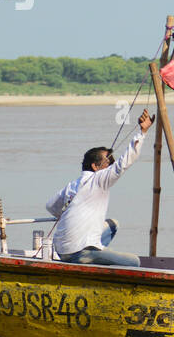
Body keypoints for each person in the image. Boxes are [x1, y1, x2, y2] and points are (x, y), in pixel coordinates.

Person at [45, 108, 153, 266]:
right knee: (134, 262)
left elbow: (51, 206)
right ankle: (93, 260)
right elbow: (124, 163)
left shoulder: (72, 184)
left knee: (113, 225)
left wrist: (72, 216)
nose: (111, 165)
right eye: (108, 162)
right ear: (95, 166)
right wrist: (142, 132)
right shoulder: (98, 179)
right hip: (78, 252)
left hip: (62, 250)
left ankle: (97, 255)